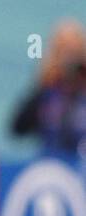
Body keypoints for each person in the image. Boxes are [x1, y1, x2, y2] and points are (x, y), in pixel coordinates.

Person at [10, 19, 86, 155]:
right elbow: (17, 128)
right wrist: (42, 83)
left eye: (73, 51)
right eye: (63, 51)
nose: (69, 59)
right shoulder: (47, 93)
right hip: (51, 167)